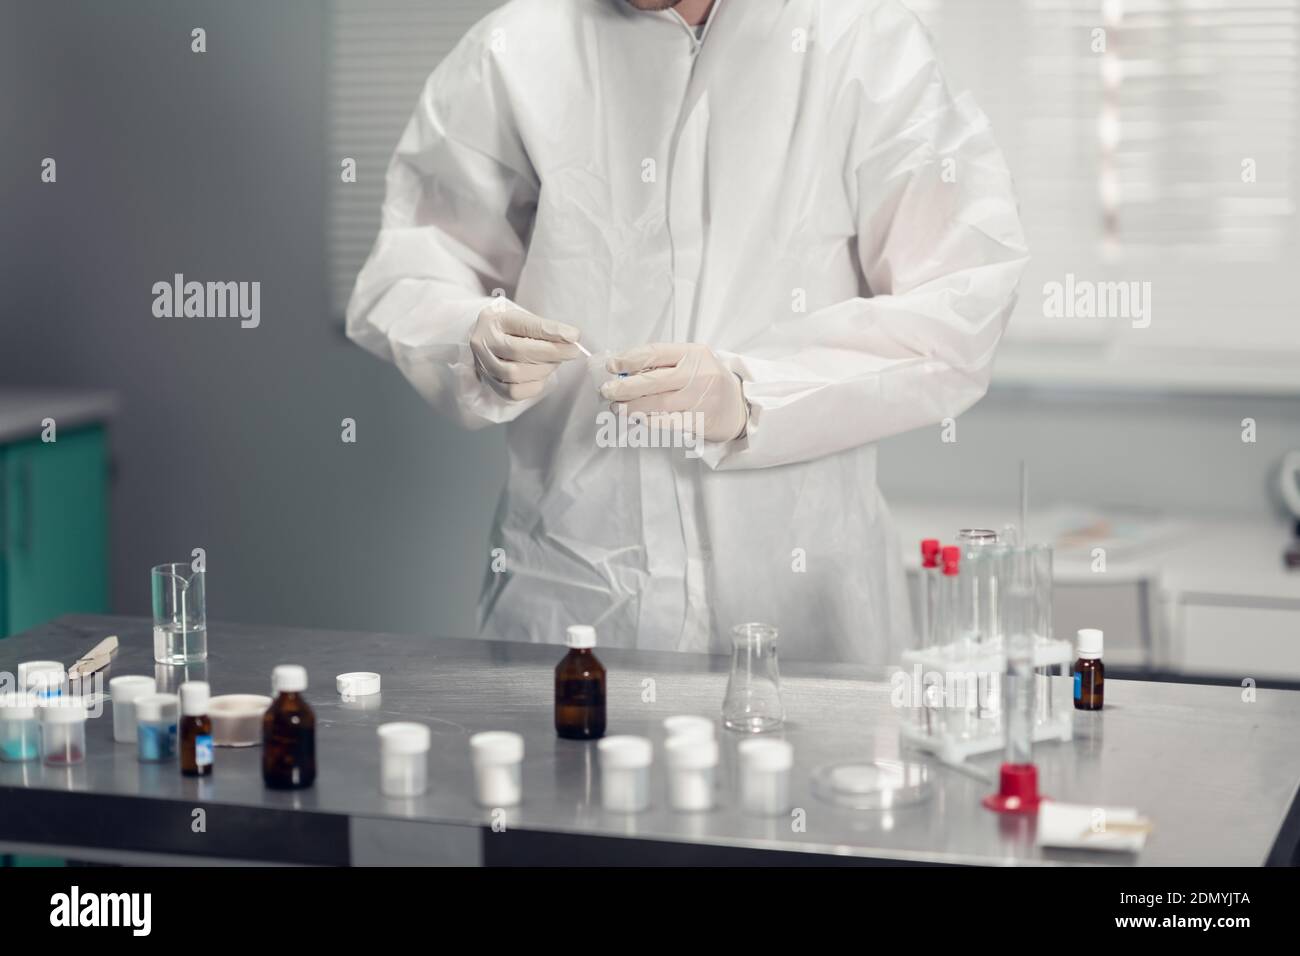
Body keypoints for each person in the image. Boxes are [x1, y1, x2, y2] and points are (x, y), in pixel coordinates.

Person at [346, 0, 1028, 665]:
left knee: (801, 775)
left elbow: (959, 309)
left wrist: (755, 396)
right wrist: (471, 337)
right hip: (576, 587)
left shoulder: (862, 42)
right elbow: (410, 270)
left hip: (807, 599)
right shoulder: (515, 49)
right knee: (570, 777)